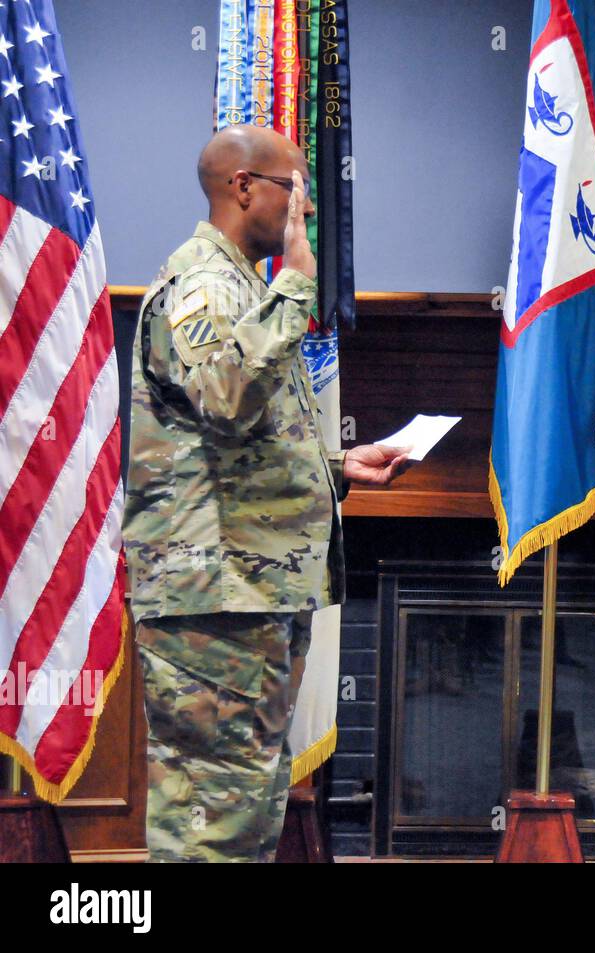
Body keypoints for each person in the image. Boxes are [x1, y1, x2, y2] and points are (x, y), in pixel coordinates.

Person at [123, 124, 410, 862]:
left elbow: (242, 441)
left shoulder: (239, 285)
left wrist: (341, 465)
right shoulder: (204, 284)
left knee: (241, 810)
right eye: (295, 191)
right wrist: (296, 282)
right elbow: (226, 394)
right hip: (214, 599)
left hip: (247, 590)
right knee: (211, 824)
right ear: (243, 186)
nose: (305, 212)